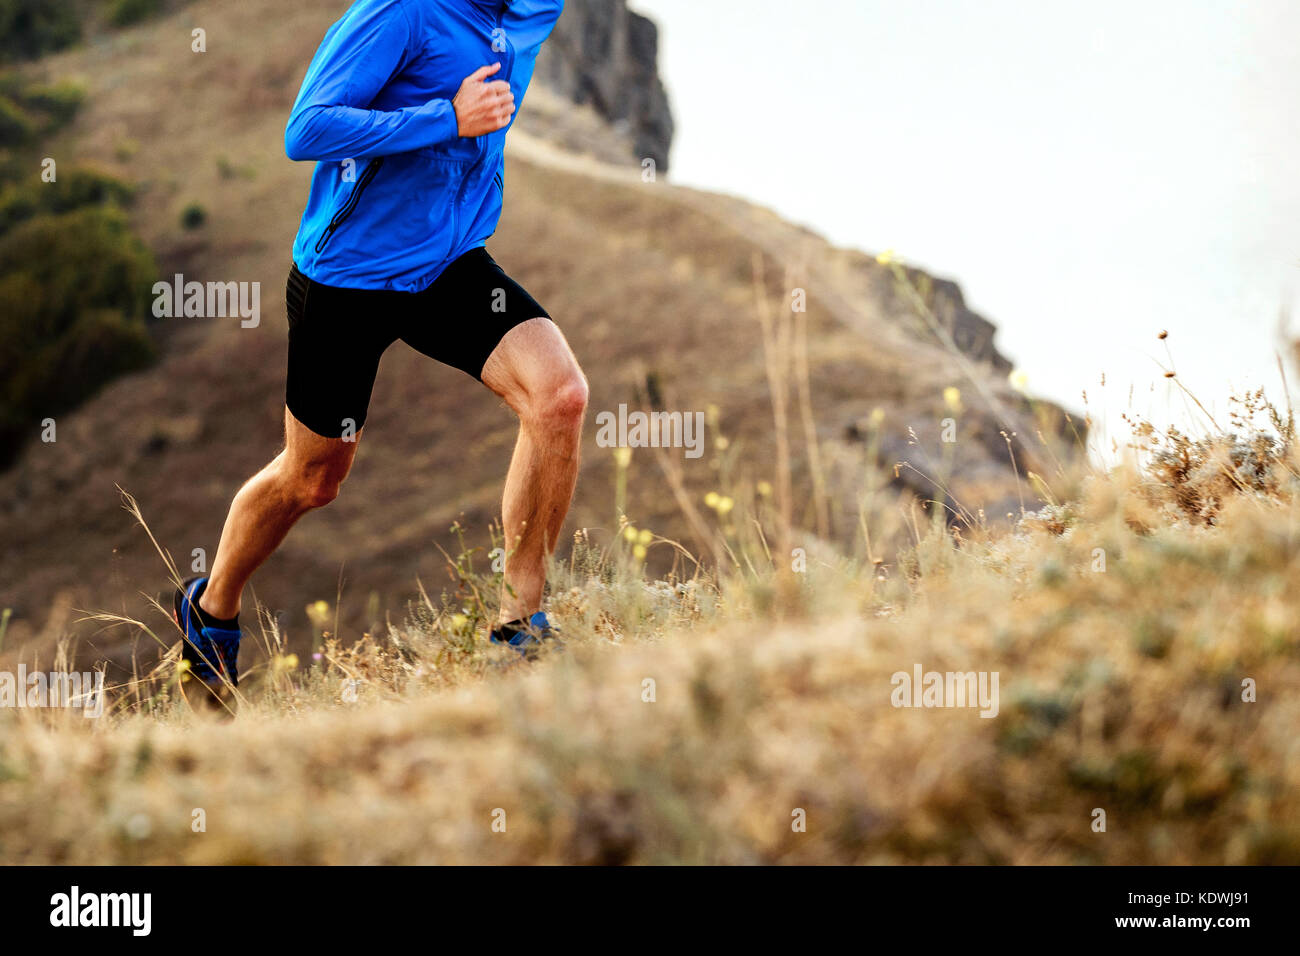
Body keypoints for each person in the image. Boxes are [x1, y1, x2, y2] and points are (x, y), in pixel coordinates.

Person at [174, 0, 580, 692]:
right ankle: (209, 611)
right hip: (350, 278)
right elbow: (307, 130)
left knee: (559, 397)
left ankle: (519, 629)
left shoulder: (535, 8)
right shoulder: (402, 11)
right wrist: (446, 120)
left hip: (448, 265)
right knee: (313, 480)